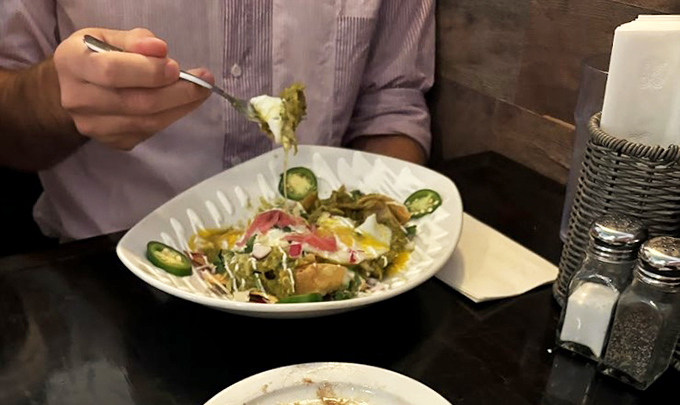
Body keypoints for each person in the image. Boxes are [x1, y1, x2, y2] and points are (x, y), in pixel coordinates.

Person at [0, 2, 434, 242]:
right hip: (104, 286)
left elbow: (390, 103)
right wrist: (55, 99)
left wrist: (378, 242)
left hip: (330, 279)